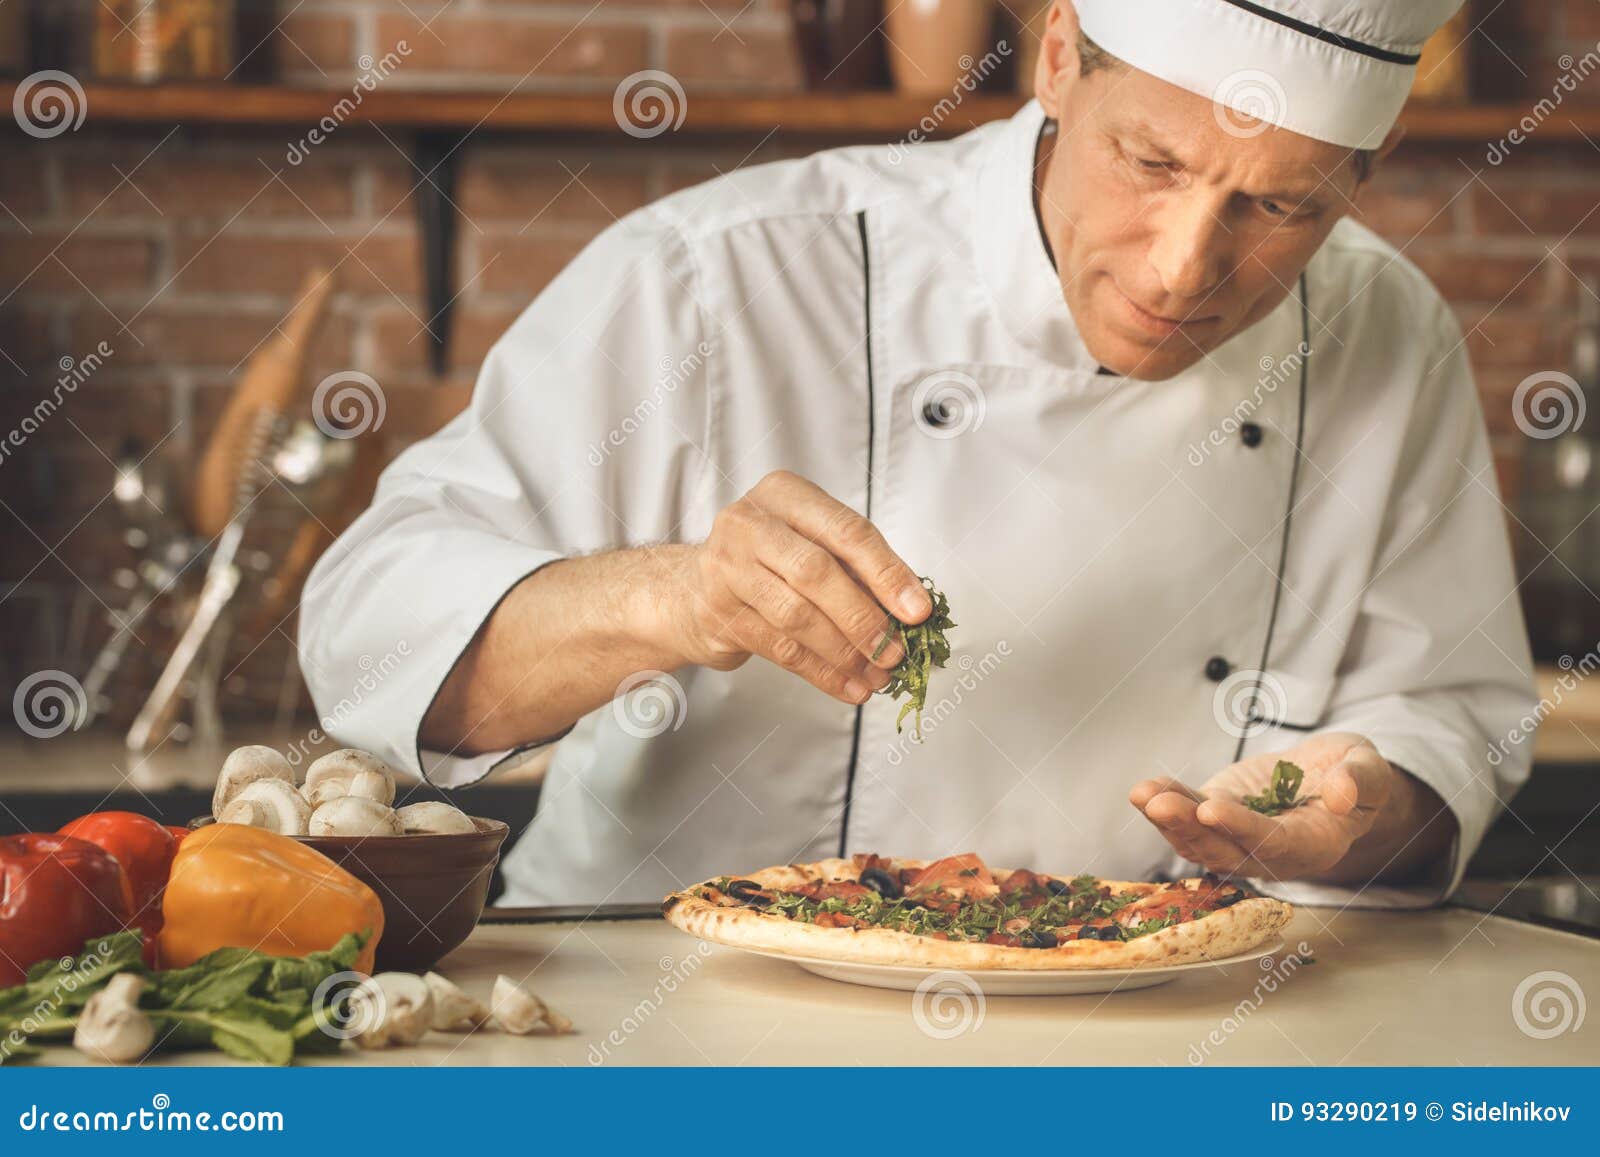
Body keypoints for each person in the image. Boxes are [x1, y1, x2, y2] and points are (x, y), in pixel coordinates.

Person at [300, 0, 1535, 907]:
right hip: (672, 1034)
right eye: (1149, 162)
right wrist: (671, 595)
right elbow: (370, 643)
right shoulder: (718, 279)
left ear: (1357, 181)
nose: (1183, 266)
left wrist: (1367, 820)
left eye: (1282, 205)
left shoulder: (1389, 333)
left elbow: (1448, 718)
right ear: (1058, 57)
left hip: (1135, 1040)